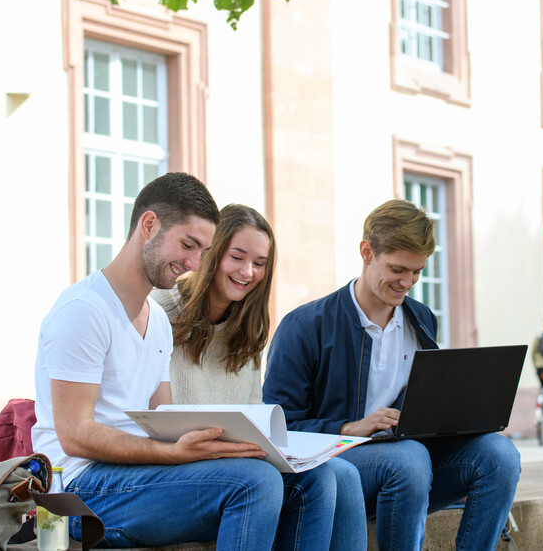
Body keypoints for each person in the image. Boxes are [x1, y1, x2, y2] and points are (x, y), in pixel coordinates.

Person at [32, 173, 330, 550]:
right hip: (80, 487)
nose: (193, 263)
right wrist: (173, 453)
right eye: (188, 245)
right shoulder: (83, 309)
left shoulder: (155, 320)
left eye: (202, 252)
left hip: (140, 474)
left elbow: (163, 419)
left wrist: (226, 443)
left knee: (313, 481)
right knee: (255, 482)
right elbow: (74, 434)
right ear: (149, 225)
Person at [263, 199, 521, 550]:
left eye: (417, 272)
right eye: (398, 269)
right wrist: (348, 428)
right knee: (409, 459)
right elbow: (280, 429)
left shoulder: (421, 319)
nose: (408, 282)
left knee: (500, 455)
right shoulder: (305, 326)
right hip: (341, 465)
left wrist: (459, 417)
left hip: (408, 461)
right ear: (367, 252)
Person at [151, 204, 366, 550]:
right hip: (183, 462)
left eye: (260, 263)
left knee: (342, 474)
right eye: (237, 257)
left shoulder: (248, 329)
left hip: (235, 456)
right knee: (311, 482)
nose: (248, 272)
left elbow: (252, 410)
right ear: (212, 253)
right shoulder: (159, 310)